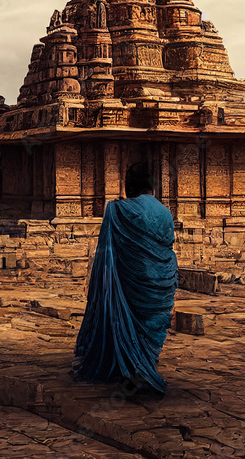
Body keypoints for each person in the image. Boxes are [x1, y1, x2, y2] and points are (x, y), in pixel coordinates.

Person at [73, 162, 178, 394]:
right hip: (160, 284)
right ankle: (144, 367)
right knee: (151, 327)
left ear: (129, 185)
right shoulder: (165, 212)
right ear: (151, 186)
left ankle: (131, 369)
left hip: (131, 284)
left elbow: (108, 255)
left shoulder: (118, 210)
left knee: (128, 321)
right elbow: (168, 248)